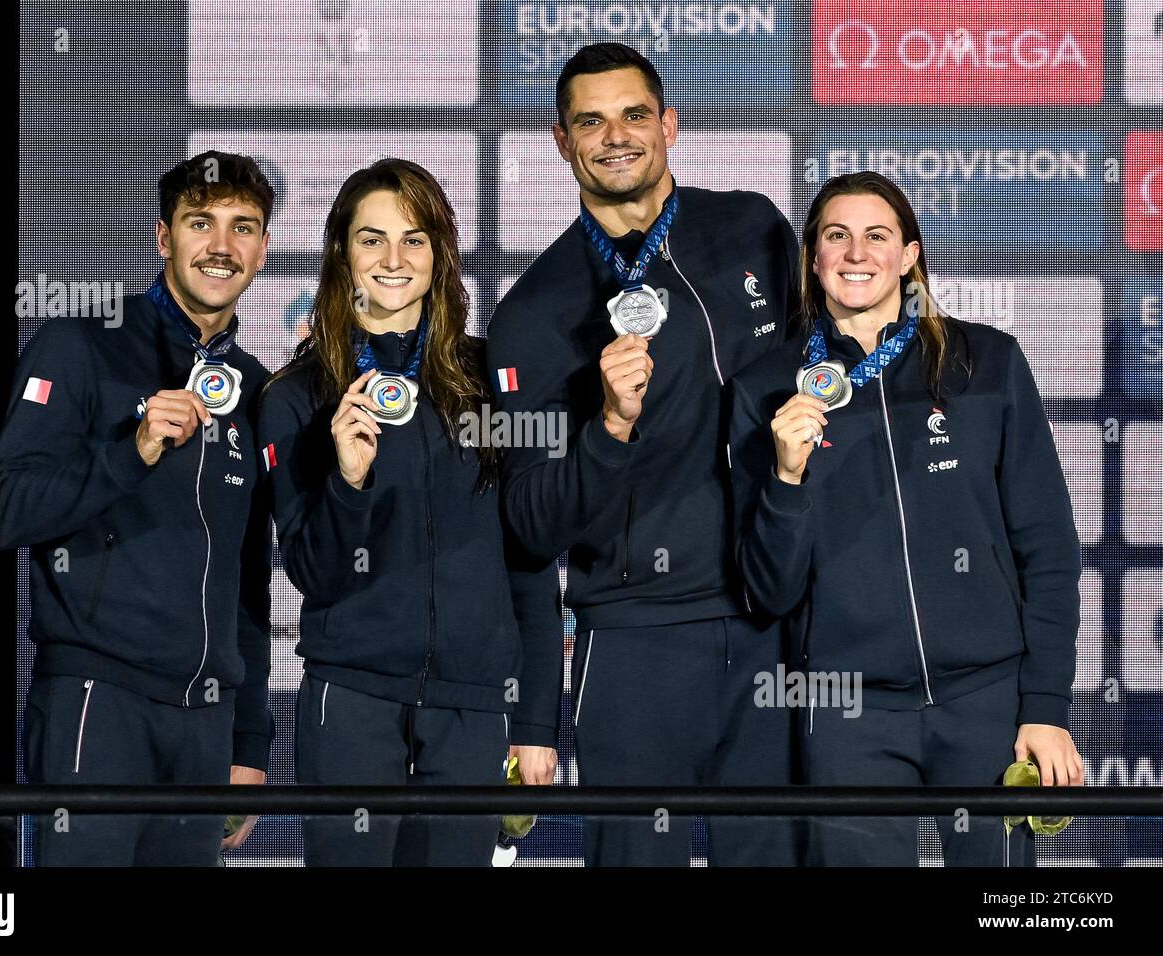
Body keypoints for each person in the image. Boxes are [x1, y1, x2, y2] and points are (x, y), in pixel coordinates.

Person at [486, 42, 801, 866]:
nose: (614, 136)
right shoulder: (533, 314)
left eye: (633, 115)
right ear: (562, 141)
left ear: (668, 123)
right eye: (590, 121)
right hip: (634, 643)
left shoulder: (753, 228)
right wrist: (610, 429)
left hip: (775, 624)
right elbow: (527, 524)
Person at [728, 170, 1085, 866]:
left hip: (988, 702)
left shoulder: (987, 362)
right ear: (812, 257)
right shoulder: (764, 390)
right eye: (836, 236)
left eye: (876, 236)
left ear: (909, 254)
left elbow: (1048, 550)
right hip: (847, 716)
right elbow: (766, 592)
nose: (855, 253)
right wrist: (786, 476)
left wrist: (1043, 706)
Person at [260, 157, 561, 867]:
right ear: (341, 254)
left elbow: (529, 560)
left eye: (415, 238)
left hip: (472, 709)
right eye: (372, 239)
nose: (393, 259)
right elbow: (314, 572)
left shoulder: (492, 383)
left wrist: (537, 719)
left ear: (441, 253)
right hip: (350, 703)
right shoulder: (297, 396)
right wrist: (348, 479)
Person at [0, 151, 276, 866]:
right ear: (162, 237)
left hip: (206, 725)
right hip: (97, 702)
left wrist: (248, 744)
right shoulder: (79, 346)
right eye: (200, 222)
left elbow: (246, 585)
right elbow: (6, 510)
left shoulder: (255, 387)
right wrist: (133, 451)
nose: (221, 246)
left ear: (264, 248)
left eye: (243, 227)